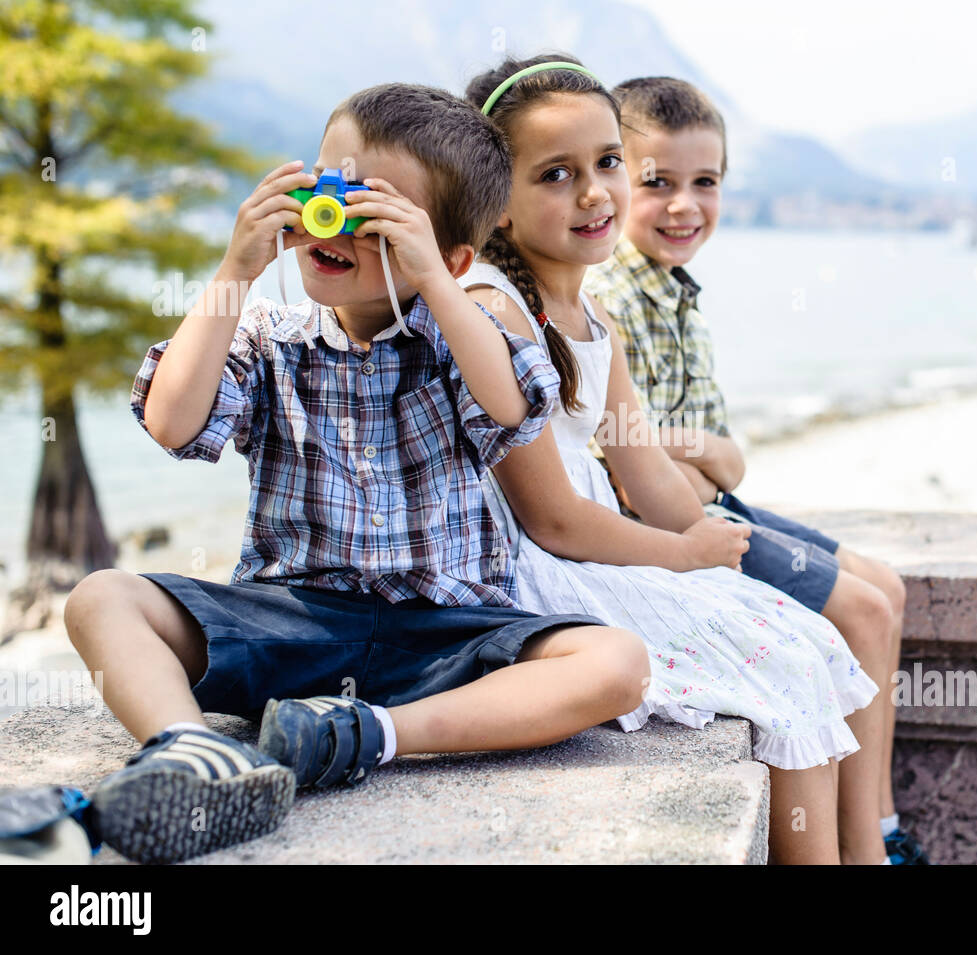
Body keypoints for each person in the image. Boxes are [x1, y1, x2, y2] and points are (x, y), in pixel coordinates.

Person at [62, 83, 648, 865]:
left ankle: (368, 734)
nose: (332, 220)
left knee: (618, 663)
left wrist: (436, 281)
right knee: (104, 597)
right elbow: (172, 421)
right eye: (326, 189)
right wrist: (238, 264)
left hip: (441, 634)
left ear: (452, 256)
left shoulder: (459, 339)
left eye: (377, 213)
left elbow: (511, 409)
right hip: (293, 620)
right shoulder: (271, 336)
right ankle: (191, 752)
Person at [461, 54, 886, 865]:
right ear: (497, 204)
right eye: (556, 174)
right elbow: (550, 517)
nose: (594, 193)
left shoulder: (593, 318)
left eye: (608, 164)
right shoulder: (496, 311)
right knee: (790, 664)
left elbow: (646, 470)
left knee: (813, 643)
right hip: (536, 571)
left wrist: (708, 543)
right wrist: (680, 553)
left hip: (599, 550)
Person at [584, 76, 928, 864]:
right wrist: (700, 453)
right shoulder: (610, 293)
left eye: (705, 183)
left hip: (712, 499)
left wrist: (698, 451)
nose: (684, 206)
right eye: (657, 183)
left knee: (888, 588)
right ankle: (865, 846)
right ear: (614, 182)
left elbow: (727, 455)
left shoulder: (677, 293)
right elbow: (625, 460)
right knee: (863, 613)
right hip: (665, 527)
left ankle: (880, 820)